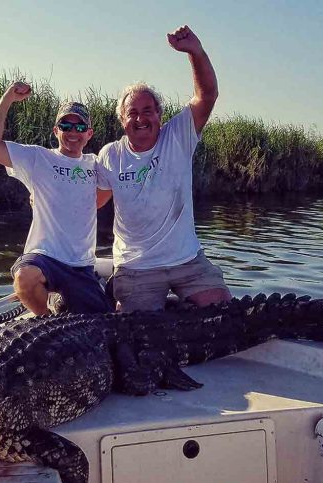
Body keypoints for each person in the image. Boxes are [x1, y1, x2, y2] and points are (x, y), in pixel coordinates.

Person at [96, 26, 232, 313]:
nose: (141, 118)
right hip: (136, 266)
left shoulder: (178, 136)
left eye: (148, 111)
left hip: (187, 261)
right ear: (122, 120)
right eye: (132, 113)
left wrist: (195, 52)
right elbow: (93, 201)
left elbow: (207, 95)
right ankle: (122, 296)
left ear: (160, 115)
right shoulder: (111, 155)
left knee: (221, 310)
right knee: (135, 331)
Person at [0, 81, 112, 315]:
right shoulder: (38, 159)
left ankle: (64, 299)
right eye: (66, 125)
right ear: (56, 130)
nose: (73, 133)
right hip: (45, 257)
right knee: (24, 278)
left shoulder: (97, 165)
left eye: (80, 128)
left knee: (102, 323)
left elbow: (101, 199)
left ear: (89, 134)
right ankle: (45, 318)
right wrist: (7, 98)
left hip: (81, 265)